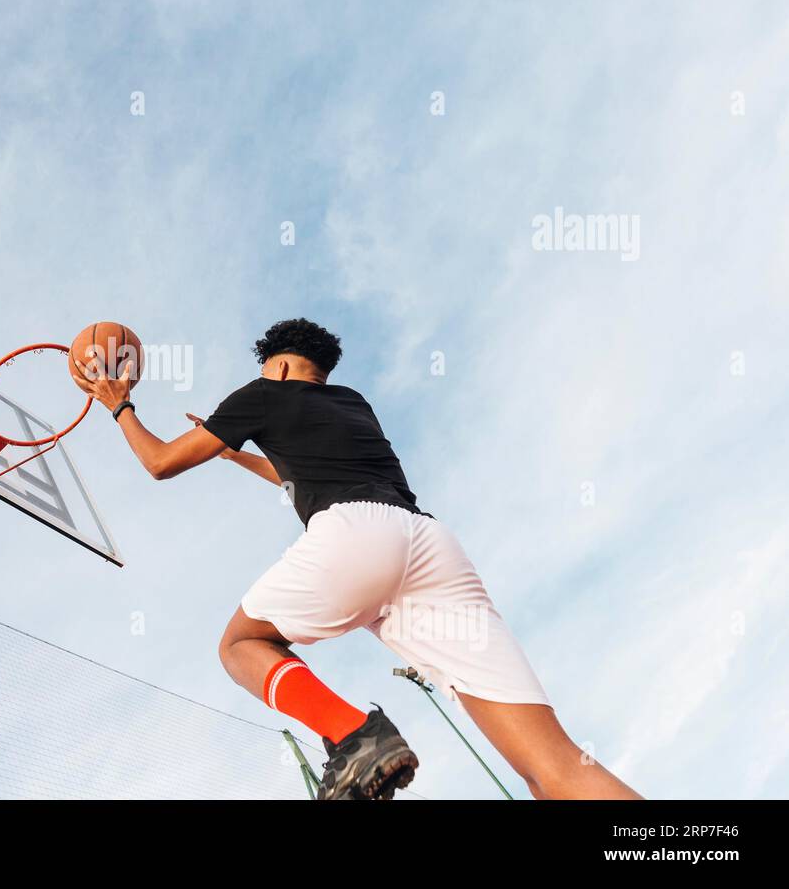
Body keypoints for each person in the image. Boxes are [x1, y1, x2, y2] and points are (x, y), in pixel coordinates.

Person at [73, 318, 642, 800]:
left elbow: (160, 462)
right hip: (429, 546)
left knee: (241, 645)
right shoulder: (353, 404)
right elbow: (295, 472)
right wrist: (232, 452)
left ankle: (354, 736)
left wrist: (119, 404)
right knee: (553, 767)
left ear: (280, 368)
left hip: (353, 536)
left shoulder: (259, 393)